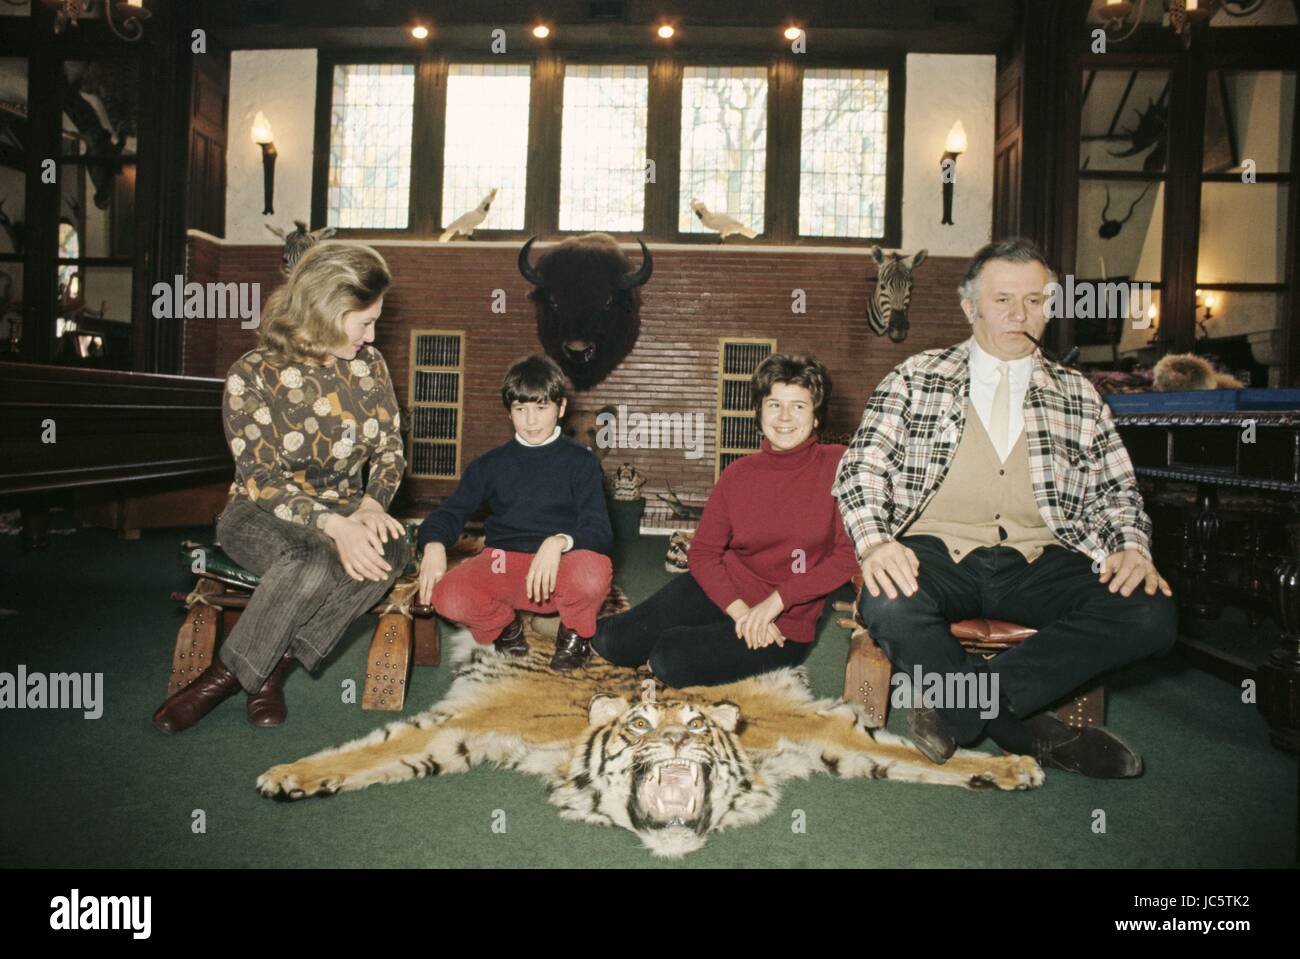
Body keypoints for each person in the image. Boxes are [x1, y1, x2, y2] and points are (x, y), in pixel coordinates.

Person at [833, 237, 1177, 778]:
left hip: (1040, 558)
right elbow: (861, 469)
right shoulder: (914, 376)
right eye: (1002, 299)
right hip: (937, 553)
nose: (1021, 314)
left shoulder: (1079, 394)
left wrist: (1130, 547)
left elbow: (1118, 490)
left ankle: (964, 709)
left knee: (1150, 612)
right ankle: (1024, 728)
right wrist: (876, 542)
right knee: (889, 603)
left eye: (1036, 300)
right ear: (969, 307)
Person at [153, 242, 409, 733]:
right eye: (365, 322)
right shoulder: (249, 375)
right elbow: (262, 481)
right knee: (312, 558)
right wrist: (337, 526)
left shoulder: (368, 365)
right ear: (327, 310)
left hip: (345, 508)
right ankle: (225, 682)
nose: (372, 336)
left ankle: (257, 670)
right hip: (260, 514)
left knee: (391, 549)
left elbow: (391, 447)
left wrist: (373, 507)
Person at [593, 352, 859, 686]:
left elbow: (847, 557)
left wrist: (777, 601)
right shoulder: (738, 474)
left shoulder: (840, 466)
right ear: (760, 411)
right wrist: (741, 613)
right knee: (612, 642)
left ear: (817, 416)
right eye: (774, 404)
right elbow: (703, 553)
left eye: (799, 406)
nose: (785, 417)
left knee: (668, 659)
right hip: (728, 593)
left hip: (785, 625)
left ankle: (698, 637)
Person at [417, 354, 613, 671]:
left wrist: (558, 542)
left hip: (559, 568)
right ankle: (506, 625)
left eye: (541, 408)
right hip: (503, 566)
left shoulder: (581, 462)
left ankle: (574, 632)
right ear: (509, 412)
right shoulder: (489, 465)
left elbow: (600, 530)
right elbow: (450, 512)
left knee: (594, 570)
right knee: (446, 596)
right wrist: (434, 544)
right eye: (520, 409)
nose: (531, 420)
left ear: (561, 408)